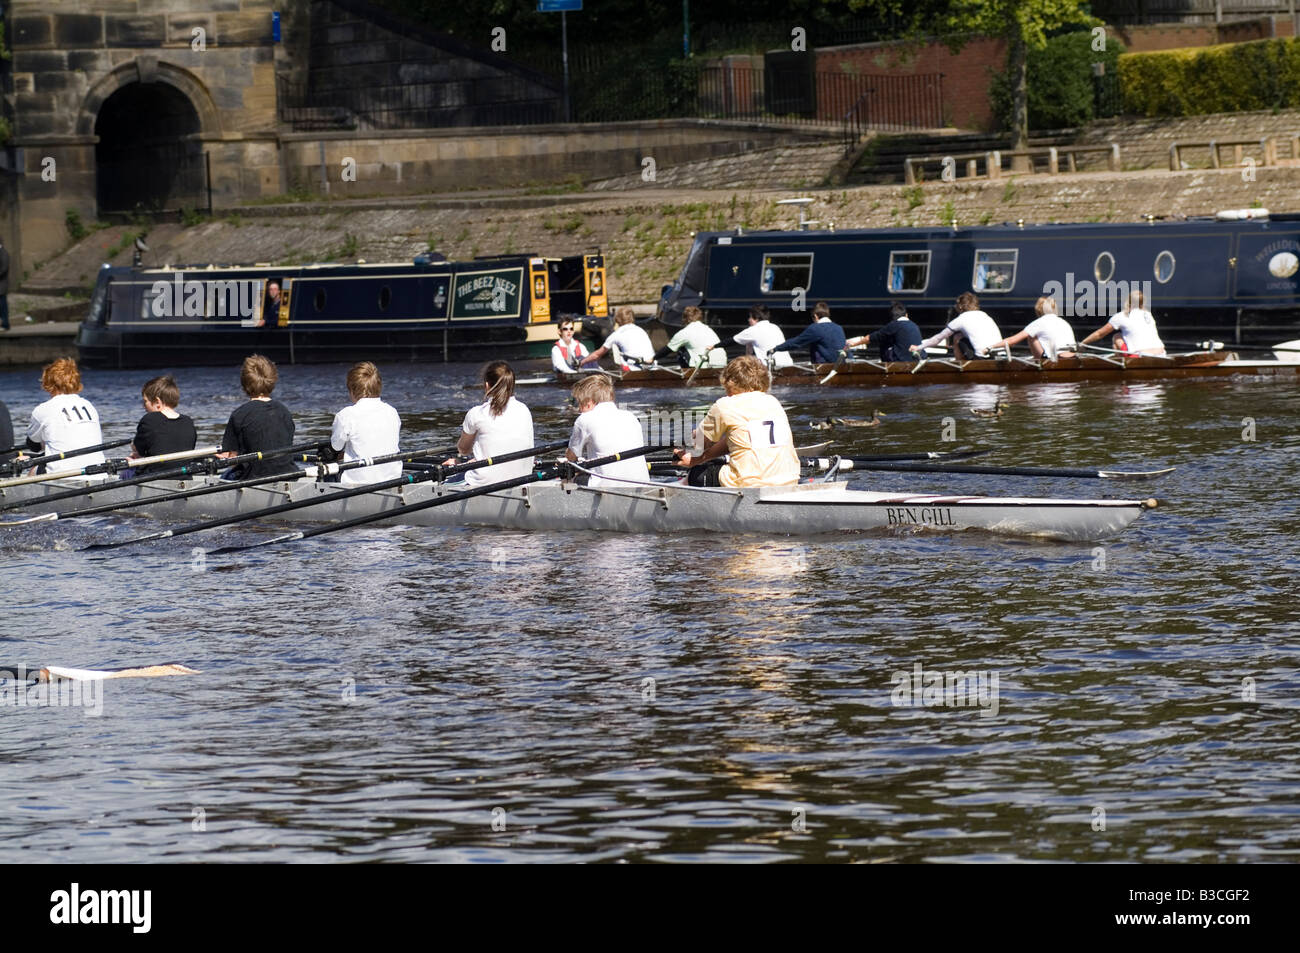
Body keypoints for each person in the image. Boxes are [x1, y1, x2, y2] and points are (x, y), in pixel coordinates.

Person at [673, 355, 799, 488]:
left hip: (748, 484)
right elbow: (739, 440)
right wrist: (700, 457)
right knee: (709, 462)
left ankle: (682, 488)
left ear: (728, 382)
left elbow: (699, 445)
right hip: (789, 479)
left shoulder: (724, 405)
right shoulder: (773, 402)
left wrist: (692, 449)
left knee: (697, 473)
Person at [457, 360, 534, 486]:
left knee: (443, 481)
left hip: (484, 483)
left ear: (487, 386)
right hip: (523, 480)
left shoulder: (477, 413)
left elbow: (463, 450)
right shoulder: (524, 409)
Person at [217, 354, 295, 479]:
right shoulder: (284, 411)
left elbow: (232, 461)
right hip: (288, 474)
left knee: (224, 476)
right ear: (273, 379)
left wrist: (227, 457)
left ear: (244, 383)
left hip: (254, 478)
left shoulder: (239, 415)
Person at [327, 361, 401, 485]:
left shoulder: (346, 414)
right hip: (393, 479)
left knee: (326, 469)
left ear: (351, 389)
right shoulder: (392, 412)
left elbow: (336, 447)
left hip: (357, 482)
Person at [26, 358, 105, 472]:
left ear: (47, 382)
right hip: (97, 471)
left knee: (33, 469)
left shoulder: (43, 409)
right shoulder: (89, 406)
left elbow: (33, 446)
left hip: (61, 473)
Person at [565, 375, 647, 486]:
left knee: (568, 478)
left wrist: (568, 458)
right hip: (642, 483)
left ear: (588, 402)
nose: (579, 409)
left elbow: (571, 457)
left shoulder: (584, 419)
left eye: (579, 403)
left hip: (607, 487)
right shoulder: (630, 416)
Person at [130, 375, 198, 474]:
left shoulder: (150, 419)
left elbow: (139, 449)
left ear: (157, 402)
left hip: (155, 477)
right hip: (184, 475)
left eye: (145, 402)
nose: (143, 406)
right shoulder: (188, 421)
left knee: (128, 470)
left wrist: (134, 449)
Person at [912, 292, 1003, 360]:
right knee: (961, 335)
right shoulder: (985, 315)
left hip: (983, 357)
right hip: (1001, 354)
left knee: (957, 337)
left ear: (960, 307)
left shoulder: (960, 319)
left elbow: (937, 339)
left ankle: (959, 365)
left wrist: (918, 347)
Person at [1080, 289, 1165, 356]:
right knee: (1120, 335)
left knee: (1116, 337)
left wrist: (1082, 343)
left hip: (1140, 355)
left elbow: (1099, 334)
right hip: (1161, 352)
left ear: (1128, 302)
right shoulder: (1148, 314)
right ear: (1142, 302)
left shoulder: (1121, 316)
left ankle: (1122, 365)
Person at [989, 296, 1077, 360]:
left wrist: (990, 347)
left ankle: (1038, 362)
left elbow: (1012, 341)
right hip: (1072, 357)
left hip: (1056, 359)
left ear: (1038, 310)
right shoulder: (1064, 322)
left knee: (1031, 335)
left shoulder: (1039, 322)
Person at [771, 301, 846, 365]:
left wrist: (776, 349)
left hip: (824, 370)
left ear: (816, 316)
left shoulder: (816, 328)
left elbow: (796, 343)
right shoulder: (839, 328)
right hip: (840, 367)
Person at [844, 301, 923, 362]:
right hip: (919, 359)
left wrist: (854, 344)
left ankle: (886, 366)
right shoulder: (915, 325)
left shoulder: (894, 325)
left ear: (893, 318)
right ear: (906, 315)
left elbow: (871, 338)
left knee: (883, 339)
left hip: (901, 362)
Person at [581, 307, 655, 370]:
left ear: (617, 320)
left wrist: (582, 362)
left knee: (608, 360)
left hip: (634, 369)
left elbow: (597, 355)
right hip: (652, 367)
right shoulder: (641, 330)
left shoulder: (616, 334)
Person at [654, 306, 726, 369]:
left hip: (704, 366)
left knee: (680, 348)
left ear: (685, 319)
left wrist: (653, 359)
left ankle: (685, 375)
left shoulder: (685, 332)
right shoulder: (708, 329)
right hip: (722, 363)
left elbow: (668, 349)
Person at [0, 237, 10, 332]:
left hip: (1, 284)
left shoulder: (3, 253)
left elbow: (4, 268)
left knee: (3, 305)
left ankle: (5, 324)